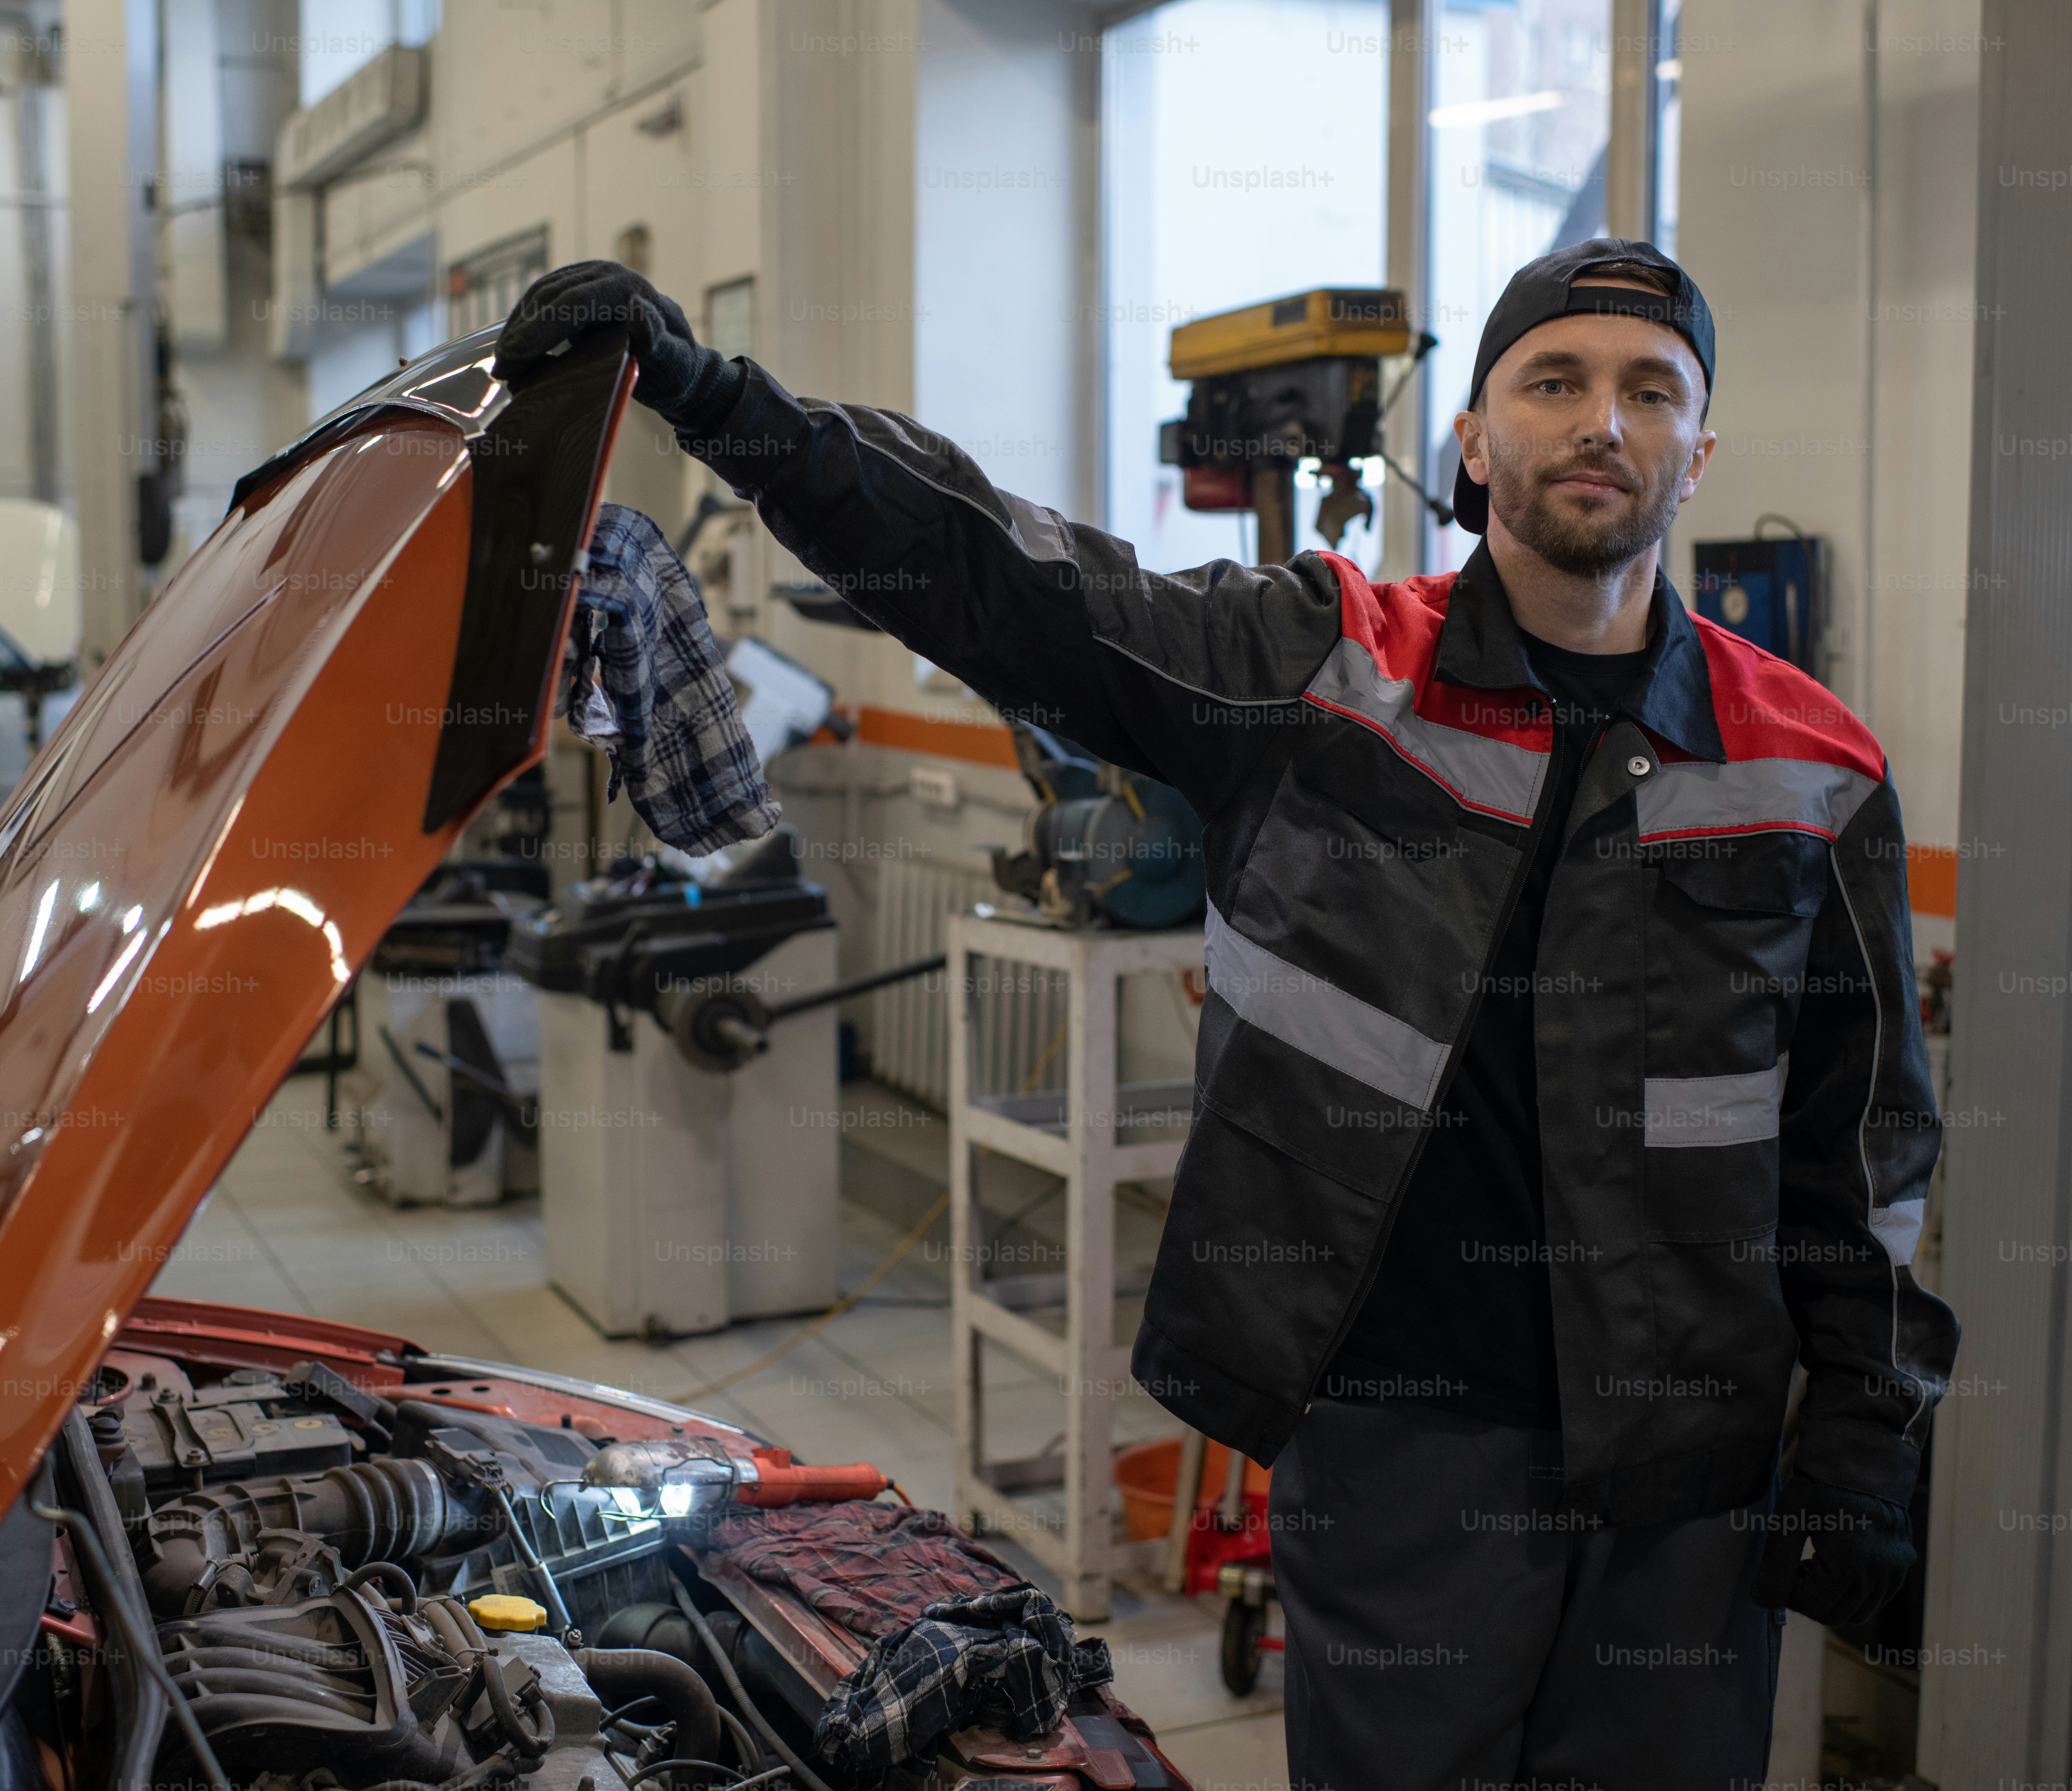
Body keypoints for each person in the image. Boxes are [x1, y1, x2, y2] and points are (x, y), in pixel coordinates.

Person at [499, 239, 1958, 1787]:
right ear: (1475, 439)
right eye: (1556, 381)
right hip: (1410, 1435)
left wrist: (1871, 1419)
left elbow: (1858, 1140)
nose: (1604, 422)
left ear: (1701, 451)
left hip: (1689, 1461)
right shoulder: (1322, 671)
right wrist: (735, 409)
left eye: (1650, 390)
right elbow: (1018, 578)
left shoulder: (1812, 762)